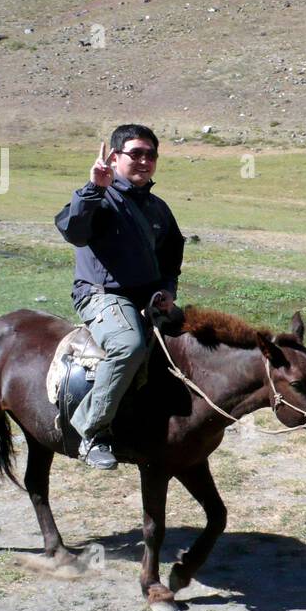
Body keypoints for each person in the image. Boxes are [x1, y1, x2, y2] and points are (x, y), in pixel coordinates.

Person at [54, 124, 184, 469]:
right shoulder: (99, 197)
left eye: (150, 154)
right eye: (135, 153)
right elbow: (74, 232)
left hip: (147, 297)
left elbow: (172, 256)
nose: (144, 160)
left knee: (192, 333)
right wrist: (93, 189)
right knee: (128, 344)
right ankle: (92, 430)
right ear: (114, 157)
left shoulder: (158, 208)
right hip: (101, 294)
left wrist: (167, 292)